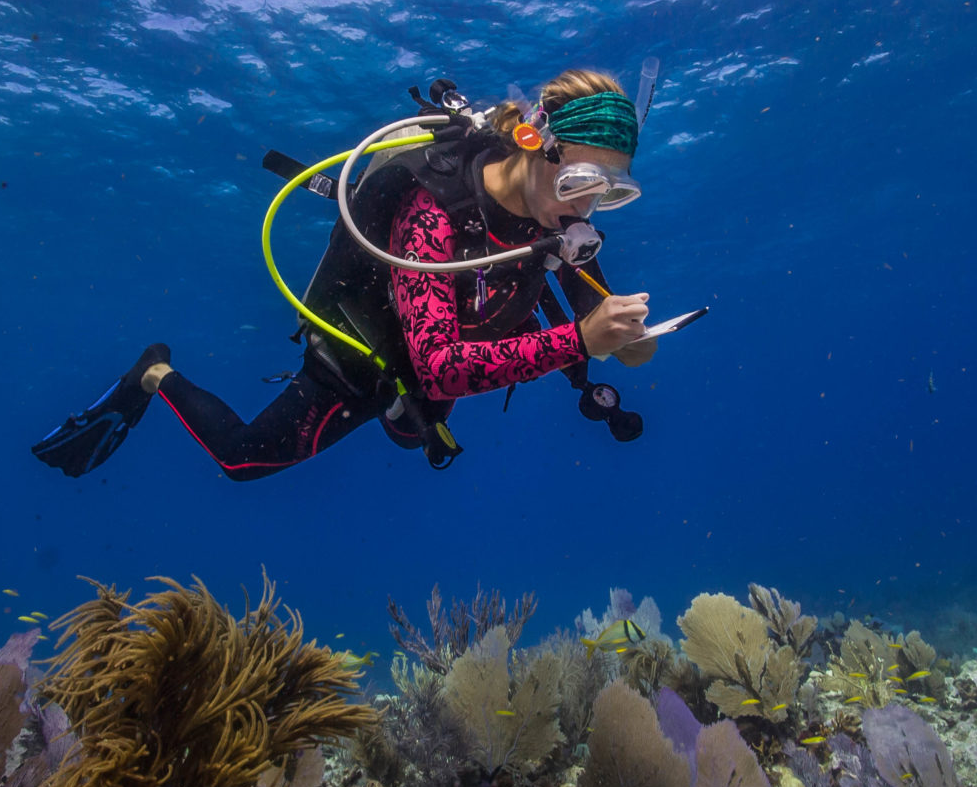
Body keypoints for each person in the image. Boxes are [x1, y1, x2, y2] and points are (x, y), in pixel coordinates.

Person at [32, 69, 660, 481]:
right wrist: (582, 341)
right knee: (243, 460)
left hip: (445, 356)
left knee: (412, 434)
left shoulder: (561, 222)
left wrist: (630, 339)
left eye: (609, 193)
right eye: (579, 182)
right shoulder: (435, 210)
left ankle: (401, 413)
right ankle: (152, 372)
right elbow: (443, 366)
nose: (586, 209)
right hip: (364, 347)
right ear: (531, 142)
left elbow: (598, 312)